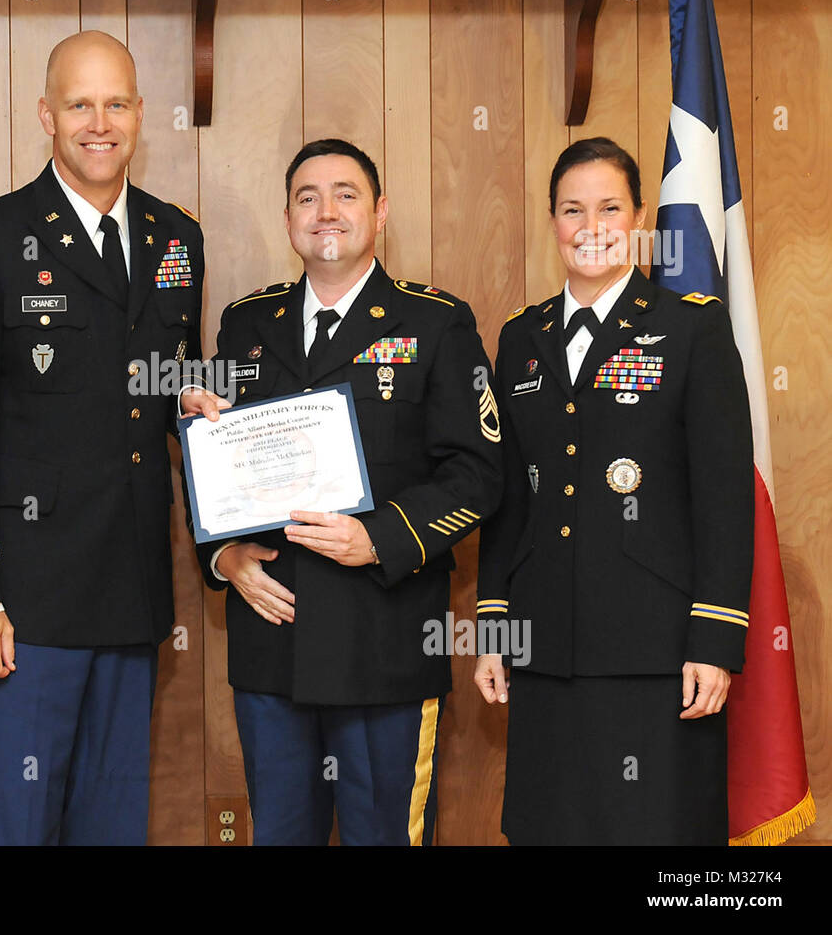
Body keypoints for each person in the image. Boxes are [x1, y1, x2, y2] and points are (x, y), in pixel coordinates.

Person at [0, 31, 222, 845]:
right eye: (80, 104)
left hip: (131, 593)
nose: (99, 122)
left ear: (140, 115)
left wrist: (211, 414)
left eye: (115, 103)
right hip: (23, 604)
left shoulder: (174, 237)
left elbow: (171, 389)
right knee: (17, 827)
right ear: (47, 115)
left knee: (112, 826)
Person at [194, 138, 503, 845]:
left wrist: (381, 537)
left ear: (380, 212)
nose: (325, 211)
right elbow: (209, 454)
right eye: (307, 197)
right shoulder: (247, 324)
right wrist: (224, 557)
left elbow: (479, 473)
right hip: (274, 644)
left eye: (345, 194)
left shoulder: (435, 323)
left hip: (386, 645)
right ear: (287, 218)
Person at [474, 137, 754, 845]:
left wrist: (715, 639)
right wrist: (495, 625)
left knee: (657, 833)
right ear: (552, 221)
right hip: (544, 650)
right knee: (550, 829)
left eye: (608, 207)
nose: (589, 225)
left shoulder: (690, 327)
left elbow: (724, 495)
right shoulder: (520, 337)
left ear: (638, 219)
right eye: (572, 209)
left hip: (656, 651)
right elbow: (509, 499)